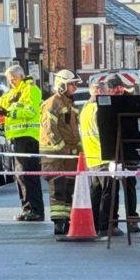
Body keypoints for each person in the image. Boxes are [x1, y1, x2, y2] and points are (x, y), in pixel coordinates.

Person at [82, 75, 135, 235]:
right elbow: (107, 133)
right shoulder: (99, 109)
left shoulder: (85, 109)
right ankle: (106, 226)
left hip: (91, 158)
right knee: (109, 193)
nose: (108, 96)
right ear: (99, 92)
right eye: (106, 92)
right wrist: (115, 155)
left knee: (96, 192)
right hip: (104, 156)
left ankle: (96, 224)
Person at [0, 65, 44, 222]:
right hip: (18, 138)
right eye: (9, 79)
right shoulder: (14, 92)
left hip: (28, 137)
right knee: (20, 175)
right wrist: (0, 106)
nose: (11, 82)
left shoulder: (31, 90)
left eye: (13, 78)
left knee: (29, 175)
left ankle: (35, 210)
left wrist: (9, 112)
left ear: (21, 76)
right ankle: (27, 208)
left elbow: (30, 112)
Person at [39, 69, 82, 235]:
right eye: (72, 84)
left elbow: (74, 130)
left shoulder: (70, 104)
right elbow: (50, 129)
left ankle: (68, 221)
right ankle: (59, 223)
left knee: (69, 188)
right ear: (62, 85)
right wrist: (62, 148)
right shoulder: (52, 103)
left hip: (69, 154)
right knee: (58, 188)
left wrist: (78, 148)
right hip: (55, 156)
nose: (75, 88)